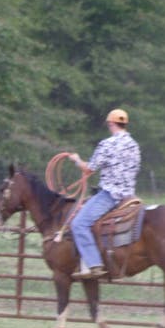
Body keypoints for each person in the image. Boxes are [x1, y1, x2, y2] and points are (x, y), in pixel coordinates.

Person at [66, 108, 141, 279]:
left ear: (111, 123)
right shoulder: (134, 145)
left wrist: (76, 159)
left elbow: (89, 168)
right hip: (129, 196)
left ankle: (93, 264)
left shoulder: (107, 144)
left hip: (109, 196)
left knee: (79, 223)